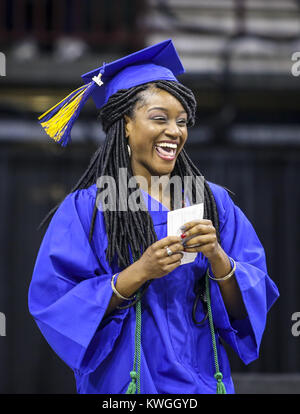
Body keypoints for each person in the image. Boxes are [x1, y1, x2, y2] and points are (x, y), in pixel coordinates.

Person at [28, 39, 279, 394]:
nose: (174, 132)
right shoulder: (88, 208)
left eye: (181, 121)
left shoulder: (213, 202)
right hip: (123, 386)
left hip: (200, 384)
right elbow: (57, 306)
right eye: (159, 118)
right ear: (126, 125)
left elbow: (246, 313)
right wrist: (138, 273)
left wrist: (219, 260)